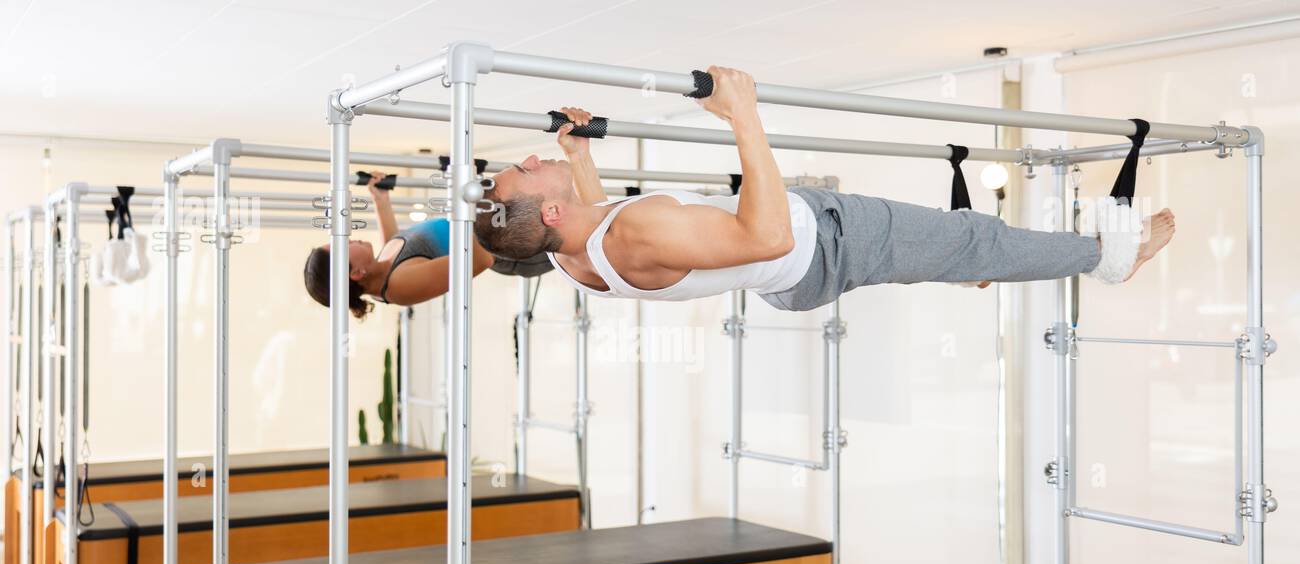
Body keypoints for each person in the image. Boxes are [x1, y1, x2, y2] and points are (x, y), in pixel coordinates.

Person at [472, 73, 1175, 312]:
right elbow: (769, 235)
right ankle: (1109, 255)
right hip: (815, 244)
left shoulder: (566, 251)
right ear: (550, 208)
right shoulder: (638, 233)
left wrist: (577, 152)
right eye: (524, 171)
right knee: (973, 237)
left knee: (955, 251)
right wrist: (743, 114)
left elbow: (598, 218)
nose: (531, 158)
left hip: (794, 276)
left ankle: (965, 265)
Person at [303, 168, 551, 318]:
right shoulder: (399, 286)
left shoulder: (382, 264)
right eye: (343, 246)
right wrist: (466, 200)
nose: (350, 238)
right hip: (519, 248)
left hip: (505, 225)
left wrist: (381, 199)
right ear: (356, 273)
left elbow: (395, 241)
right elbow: (479, 260)